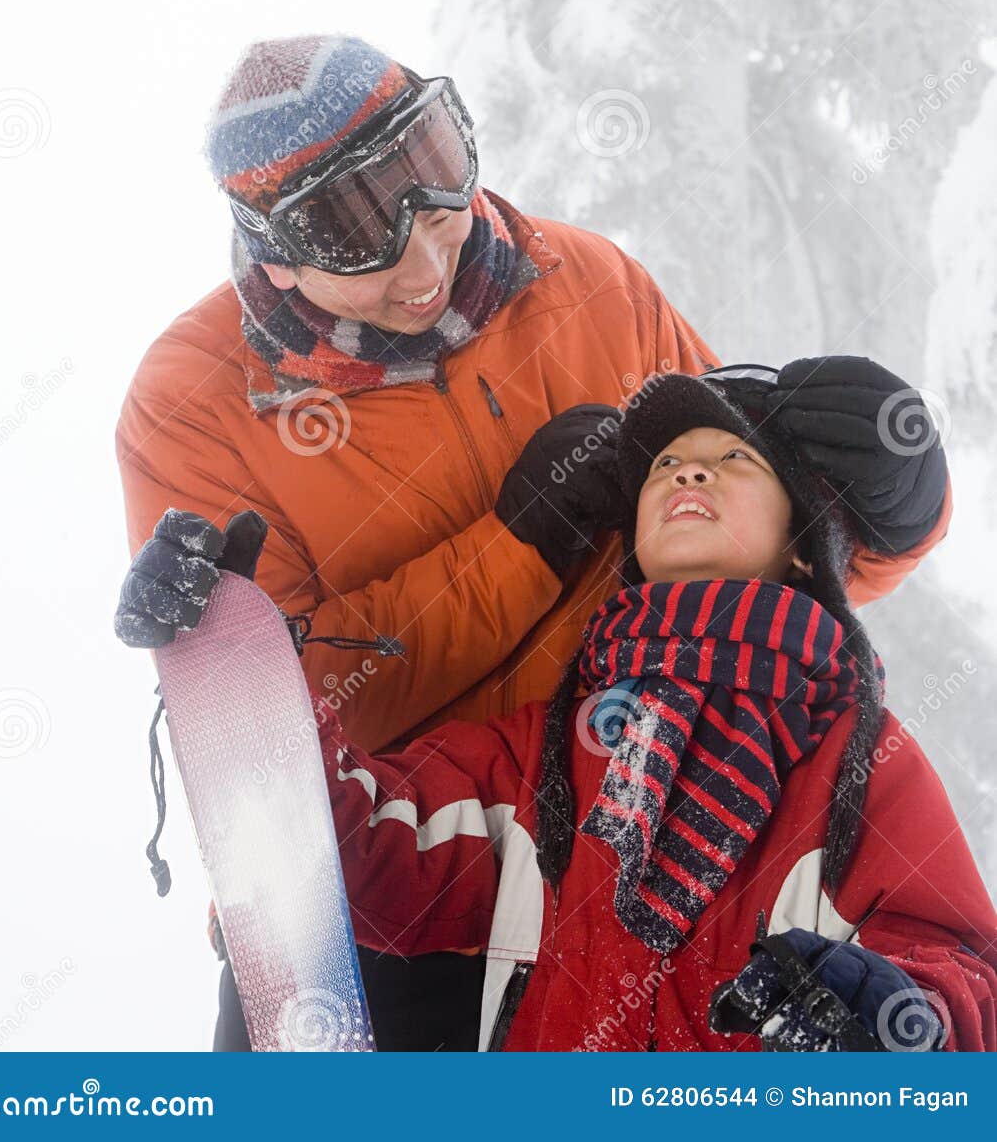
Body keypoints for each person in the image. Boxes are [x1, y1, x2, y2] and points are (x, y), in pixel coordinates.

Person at [114, 33, 951, 1049]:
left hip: (645, 832)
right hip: (398, 874)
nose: (427, 260)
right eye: (354, 235)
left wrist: (897, 506)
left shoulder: (592, 286)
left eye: (433, 181)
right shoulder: (192, 406)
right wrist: (521, 548)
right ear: (278, 252)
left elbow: (754, 548)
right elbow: (294, 707)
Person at [292, 361, 994, 1051]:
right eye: (663, 465)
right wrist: (254, 683)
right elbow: (370, 848)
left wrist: (890, 1013)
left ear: (806, 550)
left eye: (732, 457)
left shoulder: (855, 757)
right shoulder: (548, 752)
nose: (686, 471)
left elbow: (953, 965)